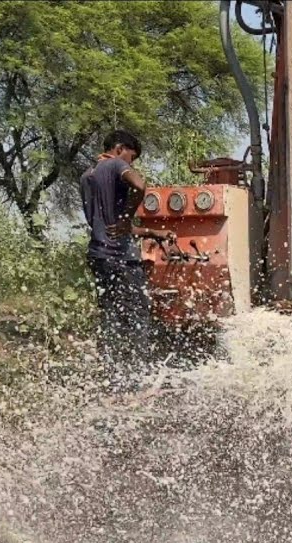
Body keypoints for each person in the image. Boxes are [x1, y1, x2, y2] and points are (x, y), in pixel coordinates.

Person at [79, 130, 175, 382]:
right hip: (122, 257)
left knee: (110, 314)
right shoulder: (116, 164)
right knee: (138, 314)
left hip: (98, 255)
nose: (131, 163)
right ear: (120, 148)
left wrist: (153, 232)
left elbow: (106, 224)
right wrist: (126, 216)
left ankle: (112, 373)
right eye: (132, 157)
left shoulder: (87, 177)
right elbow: (140, 186)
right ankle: (141, 374)